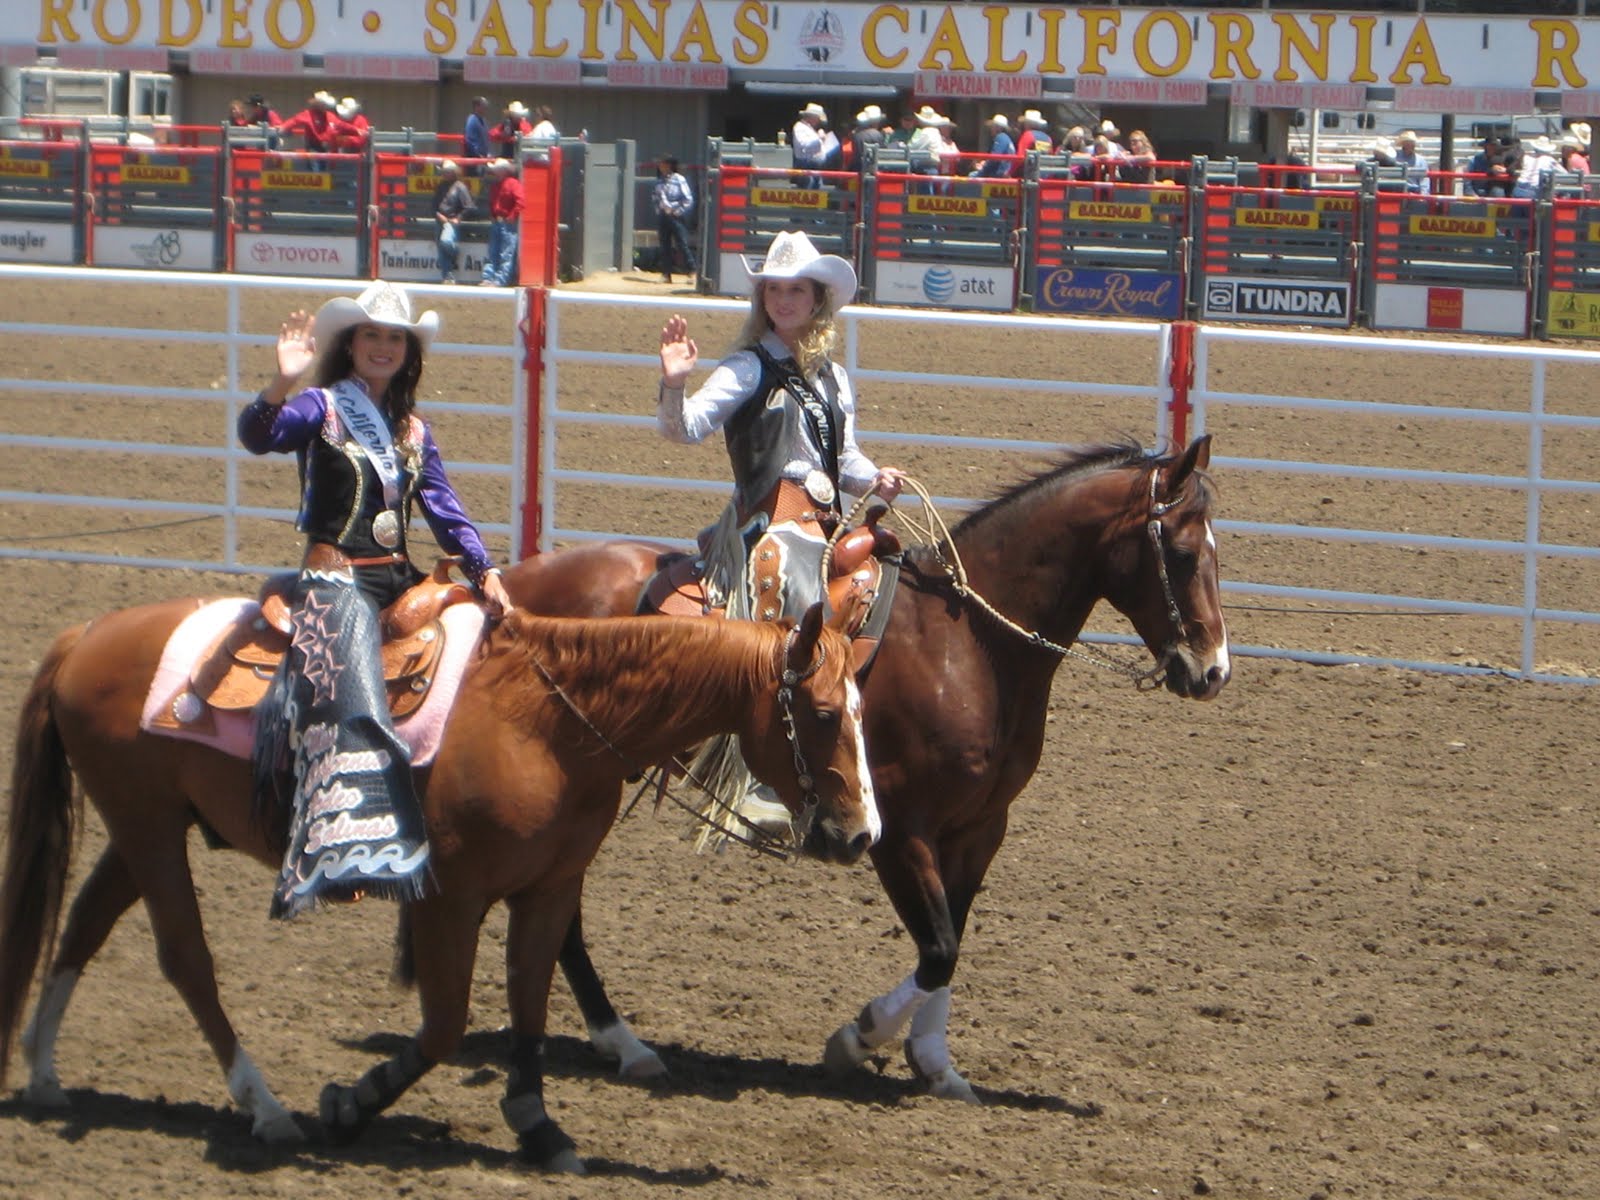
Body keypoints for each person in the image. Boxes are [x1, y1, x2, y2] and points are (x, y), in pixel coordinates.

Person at [238, 280, 511, 917]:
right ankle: (342, 843)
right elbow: (259, 435)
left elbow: (444, 508)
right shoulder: (319, 407)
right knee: (355, 677)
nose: (383, 346)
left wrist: (484, 568)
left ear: (407, 352)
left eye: (395, 337)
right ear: (352, 344)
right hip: (335, 574)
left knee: (475, 639)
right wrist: (281, 381)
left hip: (398, 574)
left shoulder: (414, 431)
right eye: (373, 335)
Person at [655, 229, 905, 623]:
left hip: (822, 519)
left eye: (796, 290)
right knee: (797, 593)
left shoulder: (833, 377)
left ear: (816, 299)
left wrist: (876, 478)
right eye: (775, 290)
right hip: (765, 519)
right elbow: (684, 428)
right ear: (763, 299)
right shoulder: (747, 367)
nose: (784, 301)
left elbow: (843, 458)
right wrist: (674, 383)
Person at [652, 153, 696, 284]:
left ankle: (692, 271)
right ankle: (666, 274)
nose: (660, 166)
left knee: (682, 243)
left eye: (663, 164)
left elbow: (688, 198)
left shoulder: (679, 179)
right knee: (664, 245)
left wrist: (678, 211)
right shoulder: (659, 181)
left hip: (676, 216)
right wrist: (659, 210)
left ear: (669, 165)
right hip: (663, 216)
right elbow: (654, 197)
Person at [481, 158, 523, 286]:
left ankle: (498, 280)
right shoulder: (499, 185)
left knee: (505, 252)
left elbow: (521, 202)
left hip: (506, 221)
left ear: (503, 171)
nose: (495, 172)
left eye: (497, 170)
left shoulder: (513, 184)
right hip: (500, 221)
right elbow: (519, 202)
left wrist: (511, 216)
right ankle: (490, 278)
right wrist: (493, 215)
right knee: (495, 251)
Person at [433, 159, 474, 284]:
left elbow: (469, 207)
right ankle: (447, 276)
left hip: (451, 221)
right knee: (441, 247)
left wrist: (458, 218)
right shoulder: (441, 187)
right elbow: (433, 205)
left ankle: (455, 252)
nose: (445, 174)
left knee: (445, 242)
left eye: (447, 172)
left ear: (453, 172)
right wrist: (438, 214)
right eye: (444, 172)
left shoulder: (460, 187)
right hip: (441, 220)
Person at [277, 90, 347, 155]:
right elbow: (294, 121)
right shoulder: (308, 114)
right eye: (323, 104)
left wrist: (355, 130)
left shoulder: (330, 115)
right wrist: (283, 128)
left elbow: (341, 125)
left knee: (329, 164)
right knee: (316, 164)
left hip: (328, 146)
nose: (324, 106)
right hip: (314, 146)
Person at [792, 101, 839, 189]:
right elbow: (804, 145)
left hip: (814, 166)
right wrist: (819, 138)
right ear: (811, 117)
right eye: (817, 118)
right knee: (809, 193)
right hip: (806, 166)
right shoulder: (799, 127)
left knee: (816, 192)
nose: (818, 121)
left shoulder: (809, 129)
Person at [970, 113, 1017, 178]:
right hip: (1003, 173)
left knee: (972, 176)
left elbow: (994, 159)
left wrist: (982, 171)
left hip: (998, 175)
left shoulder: (1000, 138)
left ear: (998, 127)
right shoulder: (1006, 139)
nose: (991, 129)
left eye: (992, 126)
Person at [1513, 134, 1558, 199]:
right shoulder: (1550, 160)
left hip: (1519, 187)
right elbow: (1564, 173)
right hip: (1534, 190)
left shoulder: (1526, 157)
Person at [463, 96, 491, 173]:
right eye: (483, 106)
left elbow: (485, 138)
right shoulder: (472, 120)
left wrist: (487, 153)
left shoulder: (483, 121)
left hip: (482, 157)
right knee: (474, 179)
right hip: (474, 158)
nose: (486, 108)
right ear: (477, 107)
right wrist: (478, 155)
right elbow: (469, 140)